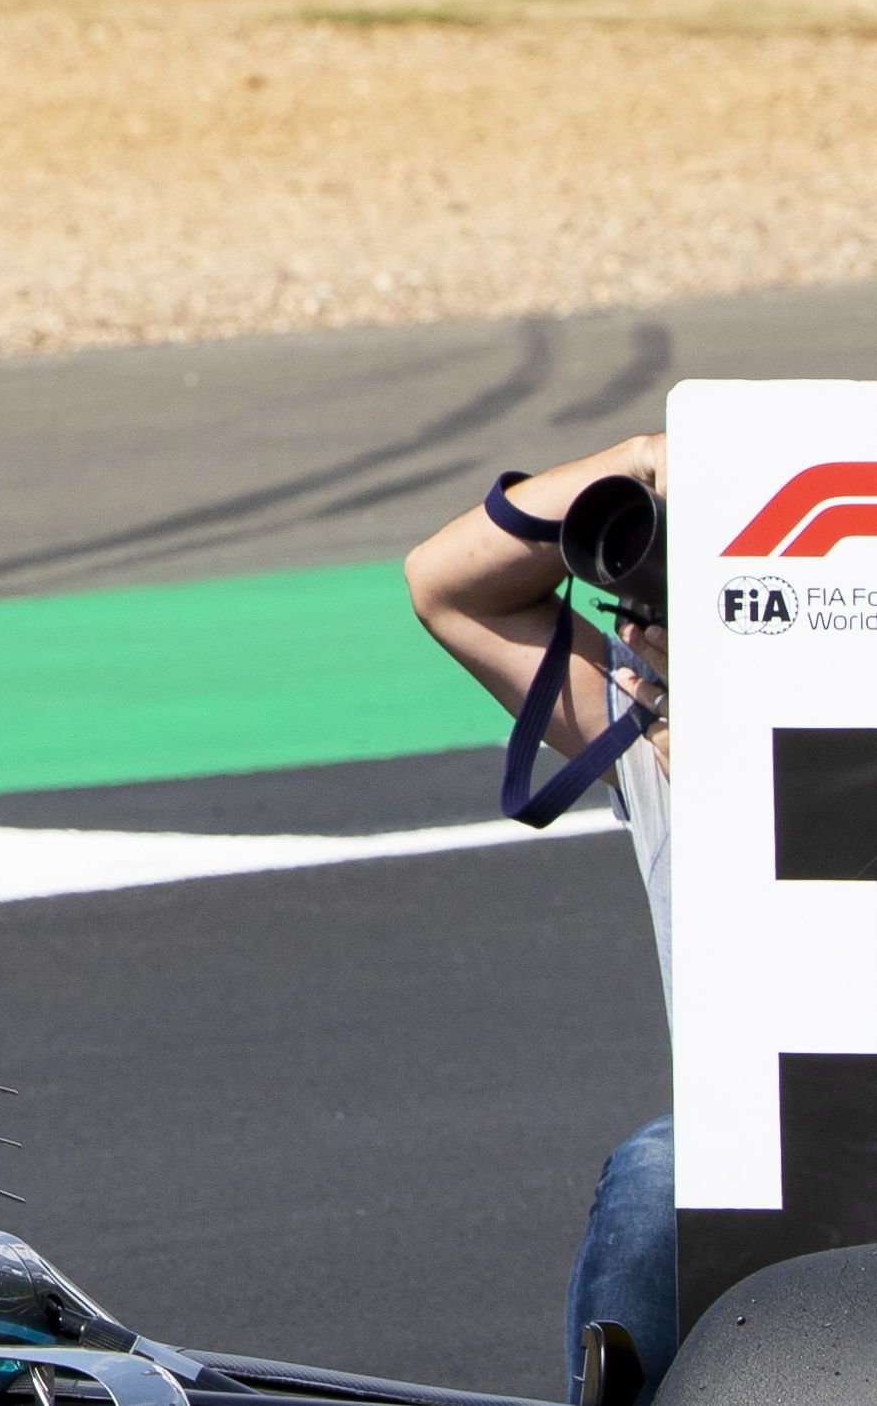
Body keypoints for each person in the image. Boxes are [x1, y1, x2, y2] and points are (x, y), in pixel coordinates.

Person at [404, 438, 671, 1401]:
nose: (645, 632)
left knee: (659, 1167)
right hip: (769, 1133)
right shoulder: (651, 723)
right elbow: (444, 584)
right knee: (657, 1179)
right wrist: (642, 462)